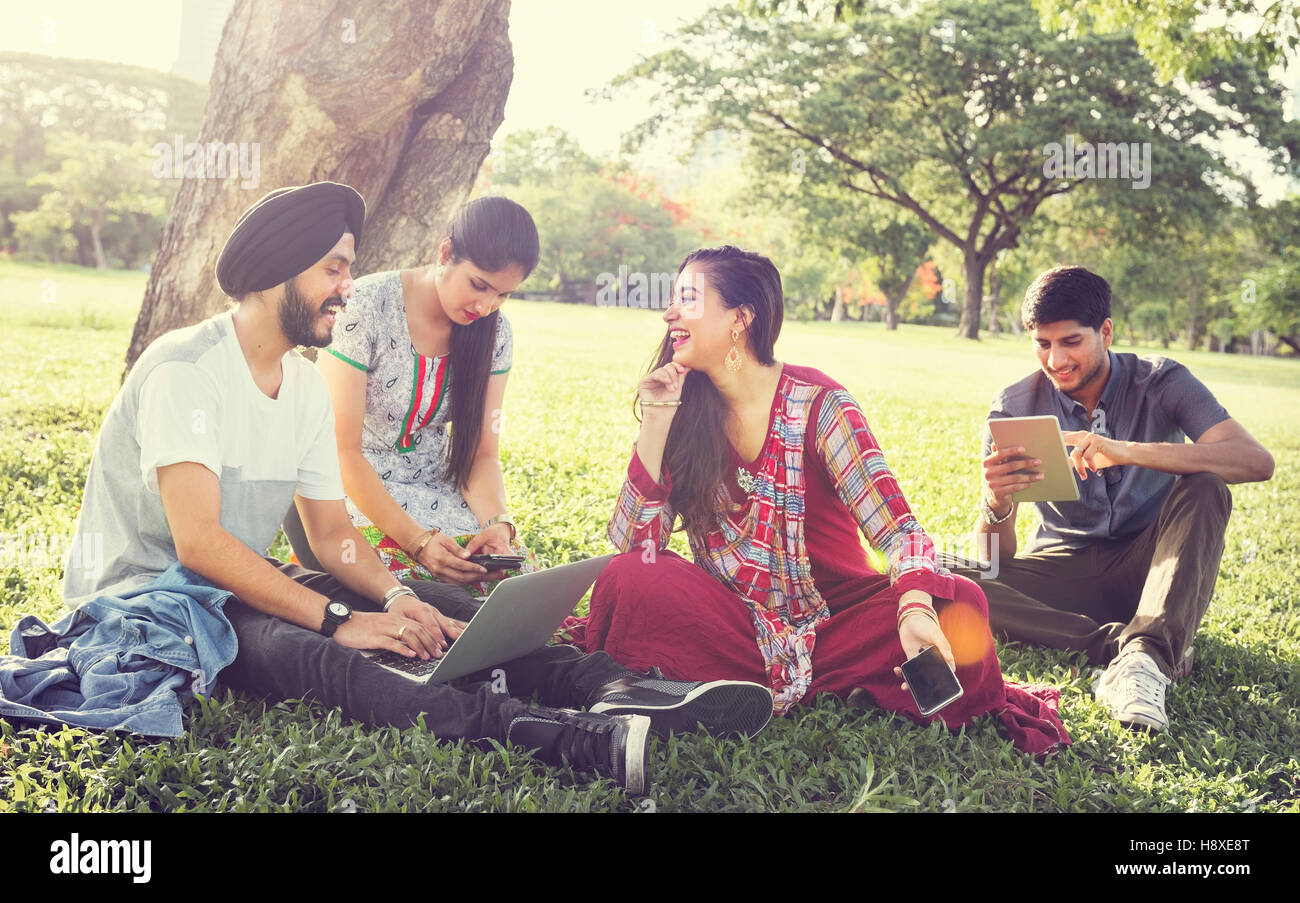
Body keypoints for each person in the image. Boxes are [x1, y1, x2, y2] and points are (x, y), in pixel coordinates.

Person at [51, 183, 773, 794]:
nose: (345, 288)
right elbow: (200, 544)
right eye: (333, 270)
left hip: (233, 580)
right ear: (279, 269)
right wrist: (340, 619)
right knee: (311, 651)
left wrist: (397, 595)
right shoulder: (186, 368)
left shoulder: (300, 382)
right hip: (154, 597)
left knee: (447, 607)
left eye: (348, 270)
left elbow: (331, 531)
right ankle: (555, 737)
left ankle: (610, 684)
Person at [572, 245, 1070, 756]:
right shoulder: (684, 408)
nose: (669, 312)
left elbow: (898, 531)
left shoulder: (820, 406)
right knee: (627, 577)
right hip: (735, 622)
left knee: (961, 604)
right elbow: (637, 547)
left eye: (688, 299)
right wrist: (656, 419)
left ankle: (715, 685)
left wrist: (915, 608)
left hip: (840, 625)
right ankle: (794, 688)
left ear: (741, 318)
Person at [971, 266, 1274, 731]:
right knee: (936, 575)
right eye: (1043, 344)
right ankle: (1122, 646)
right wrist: (996, 503)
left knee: (1206, 483)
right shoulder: (1013, 408)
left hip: (1151, 568)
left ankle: (1145, 660)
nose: (1055, 361)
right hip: (1060, 574)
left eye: (1071, 341)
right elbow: (992, 562)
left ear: (1105, 332)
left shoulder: (1162, 381)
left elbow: (1255, 462)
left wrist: (1125, 451)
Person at [316, 195, 535, 598]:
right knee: (435, 596)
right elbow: (340, 452)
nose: (487, 306)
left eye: (503, 295)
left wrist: (496, 526)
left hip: (437, 487)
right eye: (479, 284)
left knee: (517, 589)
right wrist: (417, 541)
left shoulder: (495, 334)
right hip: (354, 491)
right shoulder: (364, 308)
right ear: (446, 251)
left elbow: (481, 454)